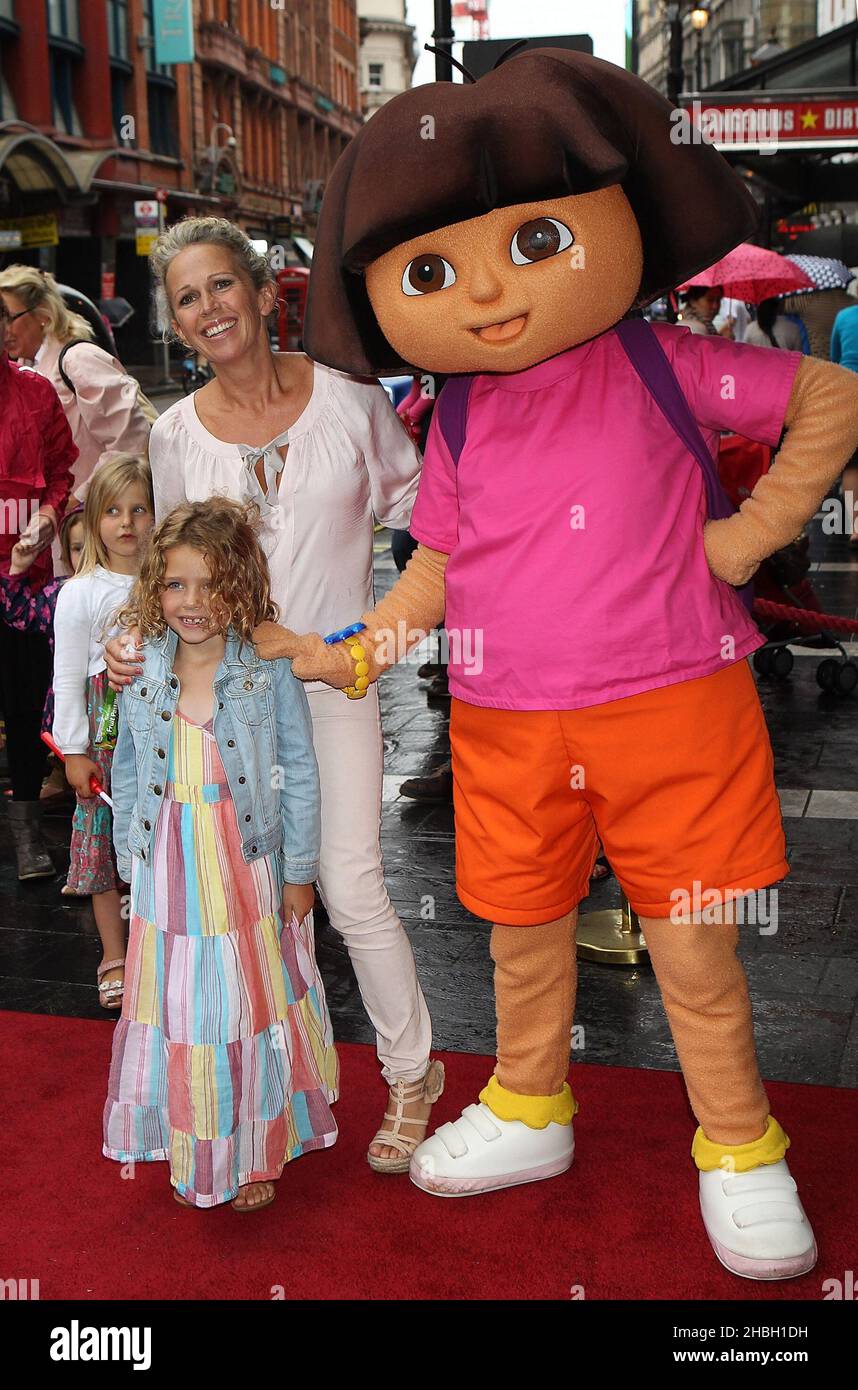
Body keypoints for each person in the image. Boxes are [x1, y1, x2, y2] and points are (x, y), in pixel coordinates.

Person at [255, 45, 858, 1279]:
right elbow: (434, 562)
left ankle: (739, 1145)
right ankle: (532, 1104)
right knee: (518, 928)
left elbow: (828, 399)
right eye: (431, 273)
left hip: (673, 703)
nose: (482, 295)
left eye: (534, 243)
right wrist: (362, 650)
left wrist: (746, 539)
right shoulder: (459, 410)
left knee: (694, 936)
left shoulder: (661, 361)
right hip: (504, 721)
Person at [104, 215, 444, 1172]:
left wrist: (376, 638)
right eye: (187, 298)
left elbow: (432, 524)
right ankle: (268, 1088)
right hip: (226, 703)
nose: (210, 308)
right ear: (175, 324)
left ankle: (412, 1073)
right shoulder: (172, 436)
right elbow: (165, 576)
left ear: (261, 293)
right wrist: (131, 648)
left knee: (347, 882)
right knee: (247, 901)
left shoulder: (348, 402)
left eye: (222, 286)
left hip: (331, 686)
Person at [105, 498, 338, 1210]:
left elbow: (298, 771)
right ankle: (197, 1144)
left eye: (210, 584)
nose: (193, 601)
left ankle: (256, 1149)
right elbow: (125, 763)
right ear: (155, 589)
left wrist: (300, 876)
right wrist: (128, 864)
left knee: (246, 1012)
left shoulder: (263, 670)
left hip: (244, 870)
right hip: (168, 875)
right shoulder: (140, 664)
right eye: (175, 584)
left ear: (240, 585)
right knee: (187, 1018)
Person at [52, 455, 155, 1008]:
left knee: (153, 843)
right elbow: (67, 677)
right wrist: (74, 751)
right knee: (102, 851)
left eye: (140, 509)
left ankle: (154, 947)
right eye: (113, 510)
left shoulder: (169, 581)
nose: (127, 523)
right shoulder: (81, 592)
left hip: (160, 736)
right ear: (93, 522)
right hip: (106, 741)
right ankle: (113, 954)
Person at [0, 298, 76, 879]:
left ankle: (27, 833)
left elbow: (60, 471)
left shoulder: (35, 392)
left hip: (26, 583)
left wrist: (49, 515)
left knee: (26, 705)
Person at [0, 265, 152, 511]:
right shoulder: (20, 370)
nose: (4, 328)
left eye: (10, 316)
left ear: (43, 315)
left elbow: (129, 445)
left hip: (94, 520)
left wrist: (77, 501)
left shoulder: (78, 360)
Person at [831, 301, 858, 545]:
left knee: (852, 465)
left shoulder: (844, 316)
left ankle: (856, 527)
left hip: (848, 389)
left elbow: (834, 357)